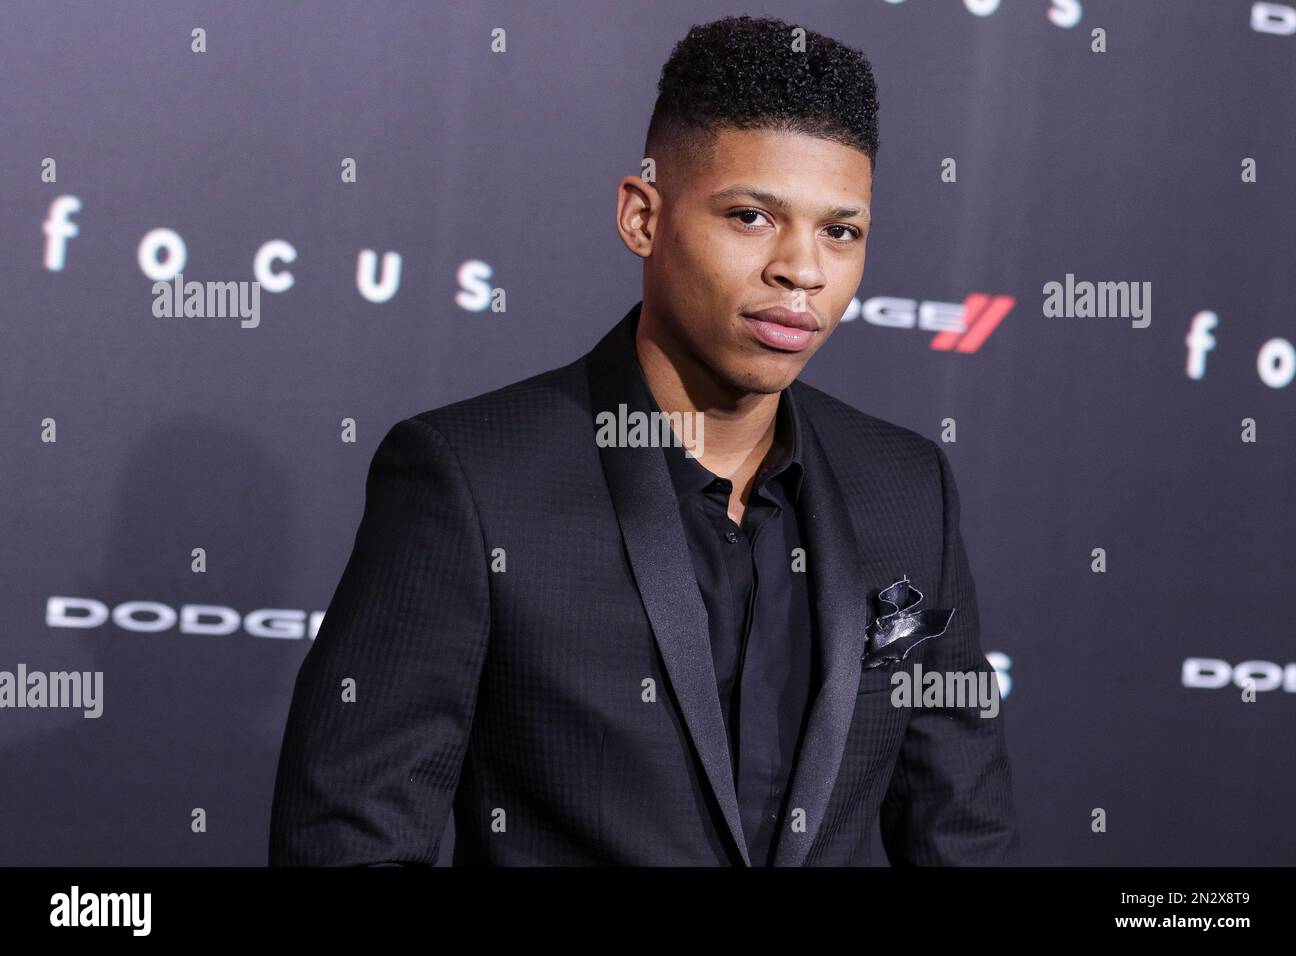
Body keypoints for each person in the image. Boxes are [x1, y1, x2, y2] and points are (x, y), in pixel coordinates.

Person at [269, 14, 1019, 867]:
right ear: (641, 218)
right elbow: (347, 844)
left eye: (840, 231)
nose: (802, 270)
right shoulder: (473, 481)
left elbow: (965, 837)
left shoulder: (907, 488)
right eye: (751, 216)